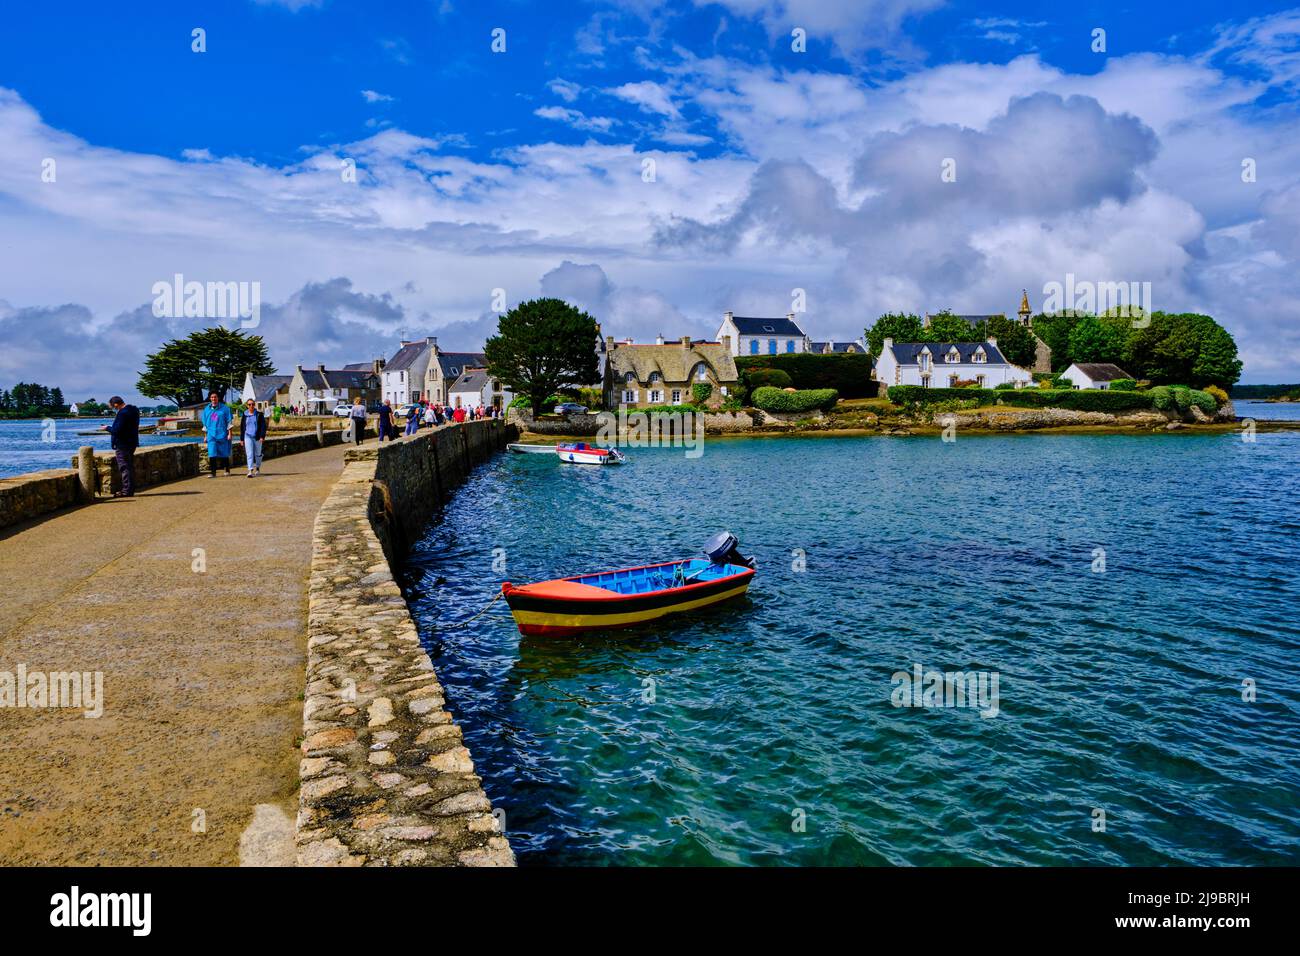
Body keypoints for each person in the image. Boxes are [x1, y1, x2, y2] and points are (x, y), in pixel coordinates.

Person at [106, 396, 140, 498]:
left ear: (116, 404)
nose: (113, 408)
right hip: (132, 442)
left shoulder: (123, 413)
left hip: (123, 444)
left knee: (124, 467)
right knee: (129, 466)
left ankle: (126, 491)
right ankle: (130, 489)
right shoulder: (134, 410)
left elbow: (117, 430)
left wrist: (107, 428)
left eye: (112, 407)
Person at [201, 390, 234, 477]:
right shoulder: (206, 410)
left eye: (215, 397)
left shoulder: (225, 409)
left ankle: (227, 470)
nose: (213, 399)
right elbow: (205, 424)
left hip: (222, 433)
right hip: (211, 435)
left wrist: (229, 434)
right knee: (212, 453)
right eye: (212, 397)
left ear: (218, 398)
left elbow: (229, 422)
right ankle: (213, 472)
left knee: (224, 453)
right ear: (210, 398)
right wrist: (205, 436)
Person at [239, 398, 267, 477]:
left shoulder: (259, 414)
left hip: (257, 436)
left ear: (254, 405)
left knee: (258, 453)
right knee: (249, 453)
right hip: (247, 436)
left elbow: (263, 426)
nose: (251, 406)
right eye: (249, 404)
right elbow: (242, 427)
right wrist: (241, 439)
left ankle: (257, 468)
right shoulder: (244, 414)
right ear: (247, 406)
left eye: (253, 404)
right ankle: (250, 470)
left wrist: (262, 436)